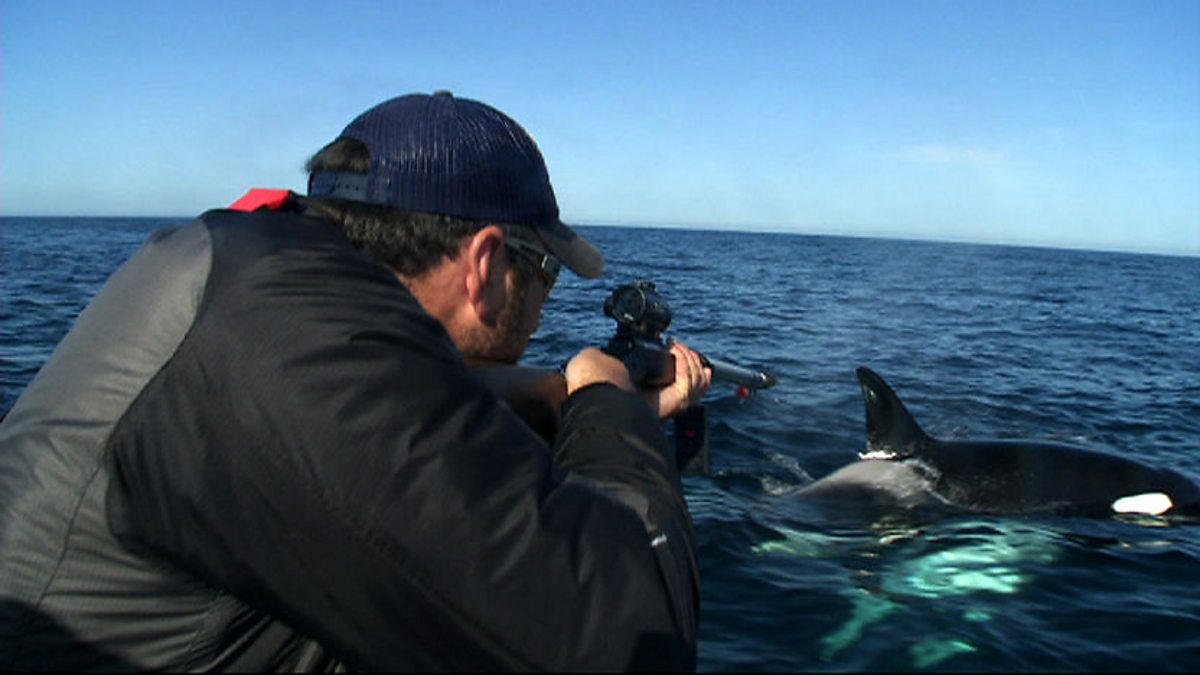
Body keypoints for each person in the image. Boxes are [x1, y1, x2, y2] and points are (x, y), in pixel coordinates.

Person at [0, 91, 711, 671]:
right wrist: (609, 403)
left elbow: (418, 402)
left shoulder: (258, 277)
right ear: (487, 264)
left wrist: (557, 393)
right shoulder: (292, 343)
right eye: (546, 272)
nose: (545, 298)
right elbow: (633, 636)